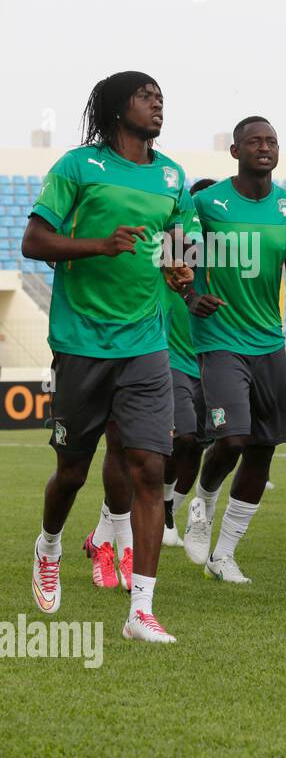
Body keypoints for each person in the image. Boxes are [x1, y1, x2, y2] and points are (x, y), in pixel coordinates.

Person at [22, 71, 193, 641]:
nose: (157, 105)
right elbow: (34, 241)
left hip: (146, 342)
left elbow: (182, 244)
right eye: (147, 97)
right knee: (71, 471)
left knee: (148, 468)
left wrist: (179, 267)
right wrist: (100, 244)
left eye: (161, 98)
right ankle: (50, 546)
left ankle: (140, 611)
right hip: (82, 341)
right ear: (118, 108)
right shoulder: (77, 167)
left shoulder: (172, 176)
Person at [183, 116, 286, 580]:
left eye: (272, 141)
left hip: (269, 343)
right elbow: (172, 250)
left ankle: (225, 555)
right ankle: (201, 502)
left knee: (263, 450)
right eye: (255, 141)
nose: (265, 147)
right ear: (235, 151)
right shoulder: (205, 203)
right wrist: (189, 296)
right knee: (233, 438)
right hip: (220, 337)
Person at [161, 177, 222, 548]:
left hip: (211, 360)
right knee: (182, 436)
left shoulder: (225, 256)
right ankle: (164, 505)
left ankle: (172, 509)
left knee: (199, 444)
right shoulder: (171, 251)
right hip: (173, 357)